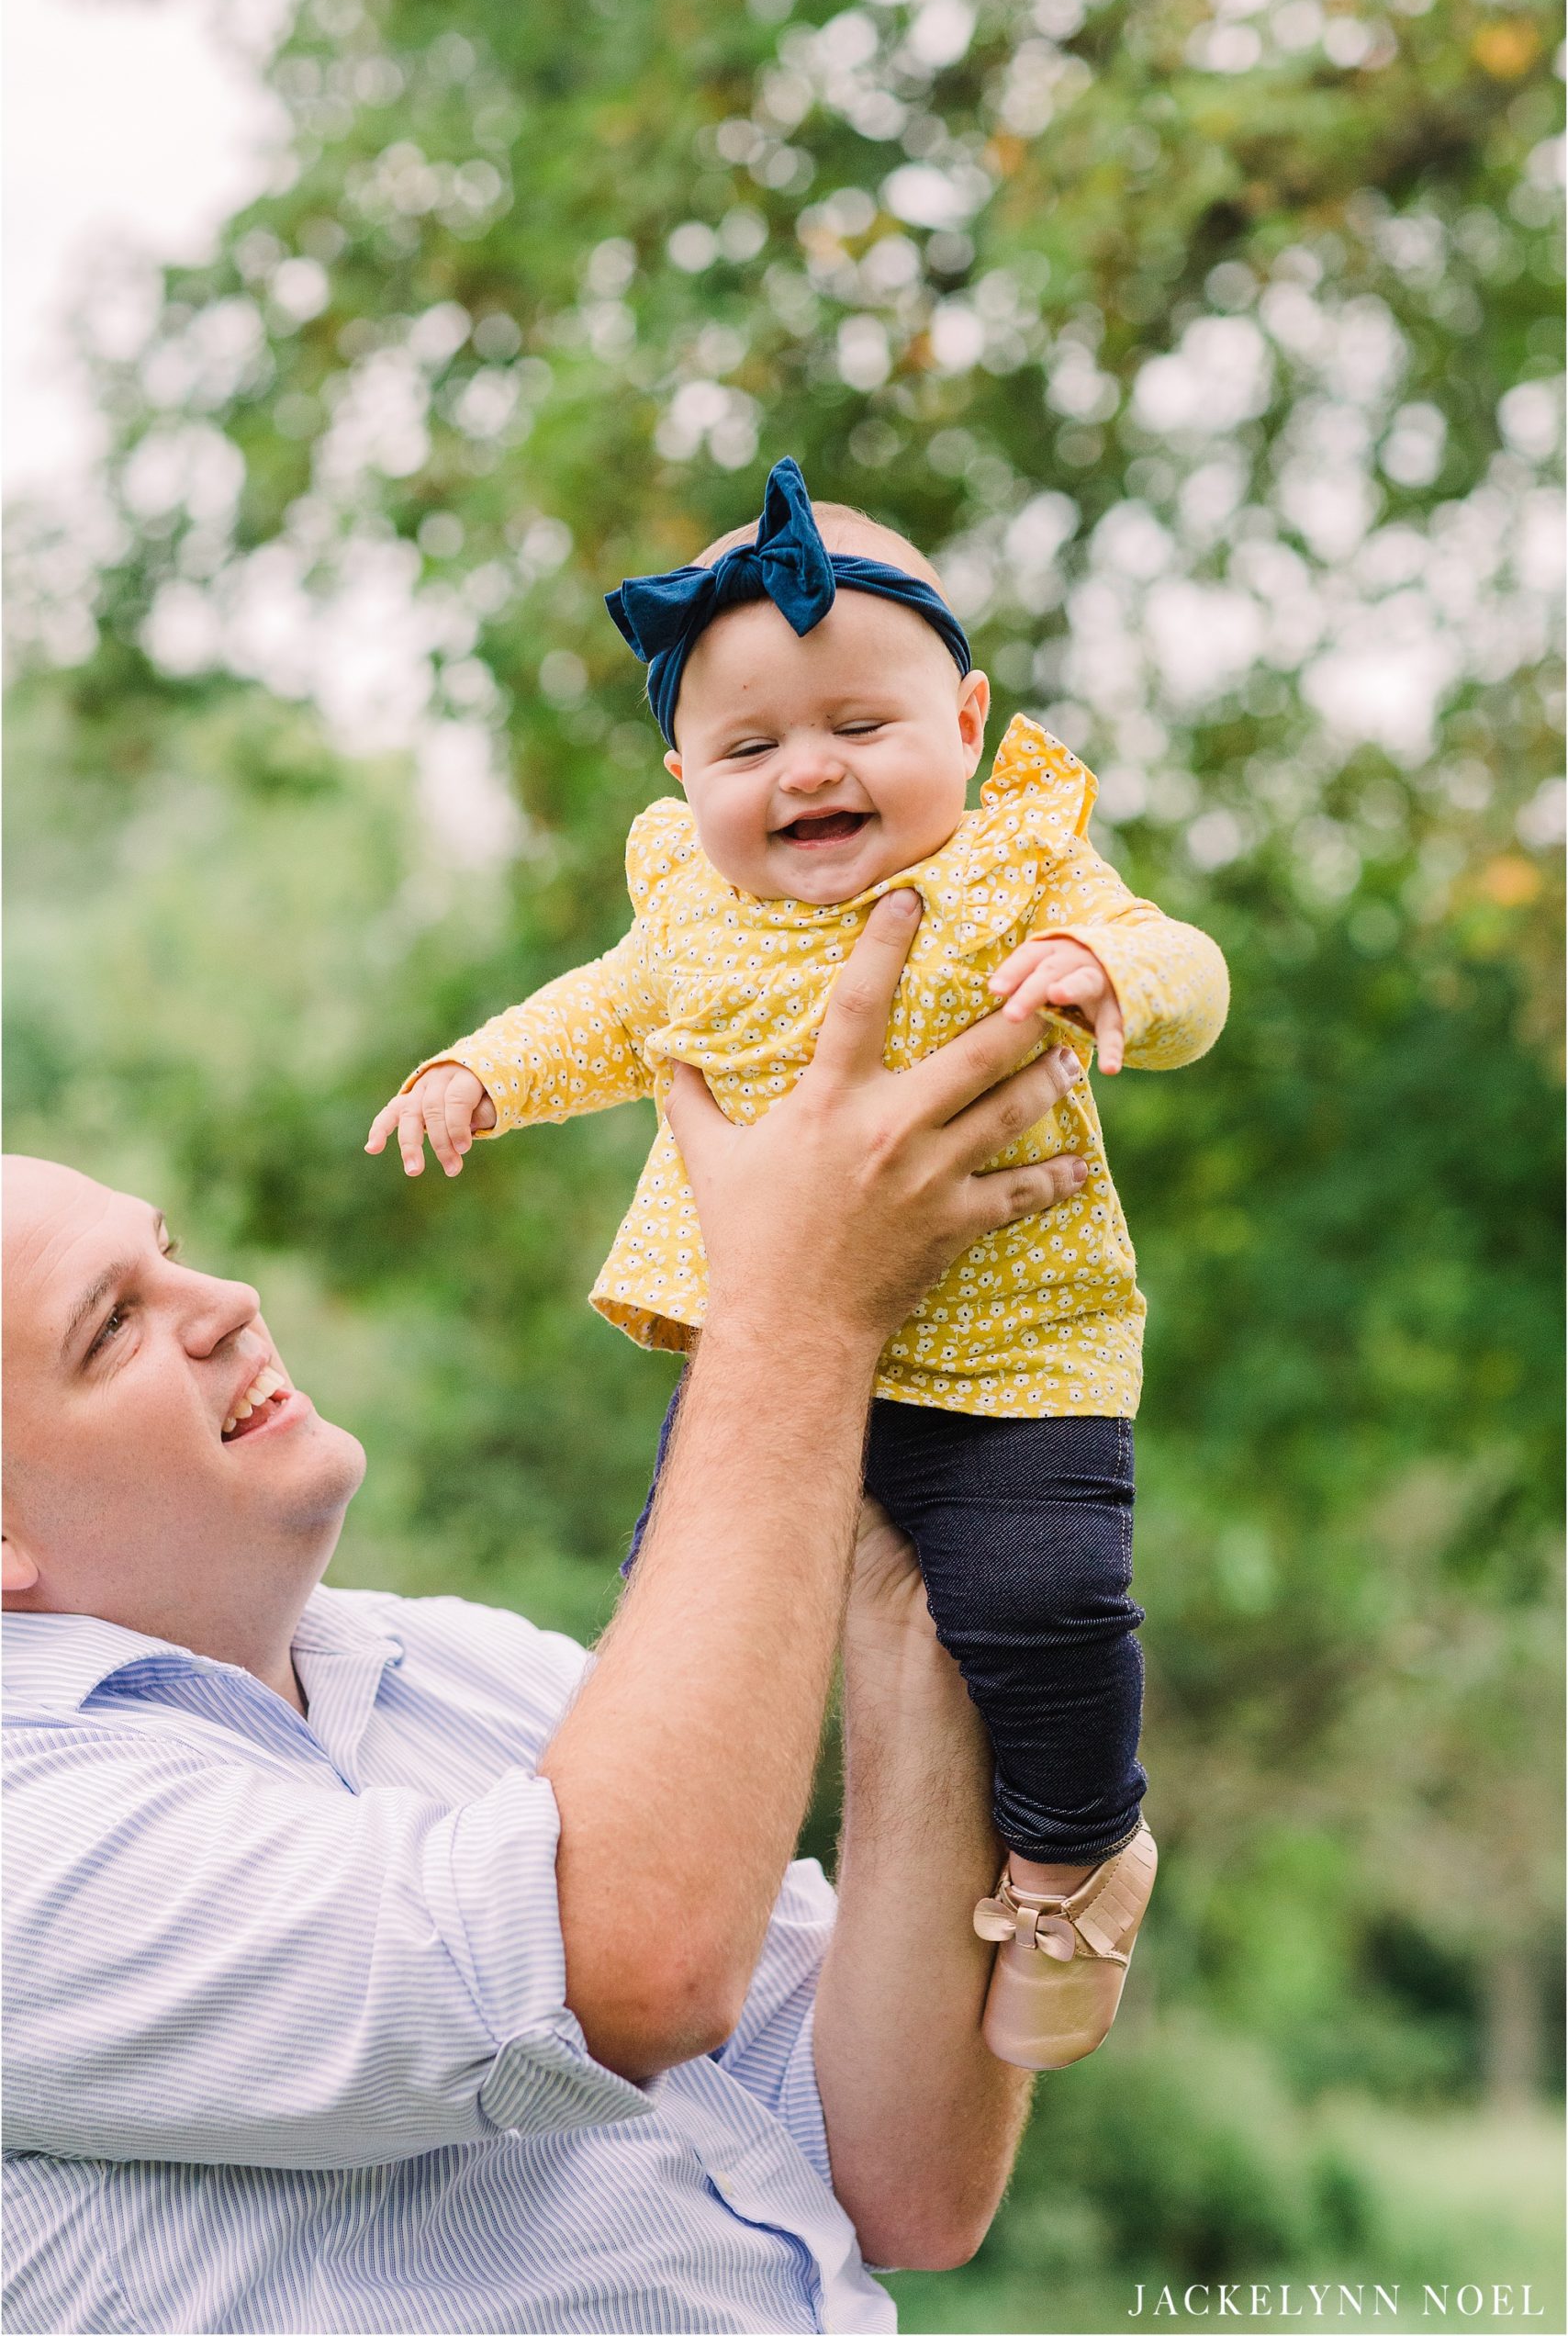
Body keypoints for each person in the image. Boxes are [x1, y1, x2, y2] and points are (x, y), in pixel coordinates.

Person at [3, 896, 1092, 2336]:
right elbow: (631, 1964)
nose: (226, 1301)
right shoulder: (26, 1832)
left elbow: (905, 2178)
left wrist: (911, 1585)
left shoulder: (465, 1667)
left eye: (171, 1252)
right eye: (112, 1327)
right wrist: (796, 1311)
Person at [367, 457, 1229, 2070]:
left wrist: (1109, 969)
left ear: (965, 725)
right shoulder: (692, 918)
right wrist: (474, 1073)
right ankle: (667, 1893)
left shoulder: (1020, 875)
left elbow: (1188, 968)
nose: (810, 771)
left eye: (861, 726)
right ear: (684, 775)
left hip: (1019, 1353)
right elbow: (593, 1013)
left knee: (1045, 1603)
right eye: (750, 748)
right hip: (768, 1352)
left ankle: (1072, 1859)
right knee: (684, 1614)